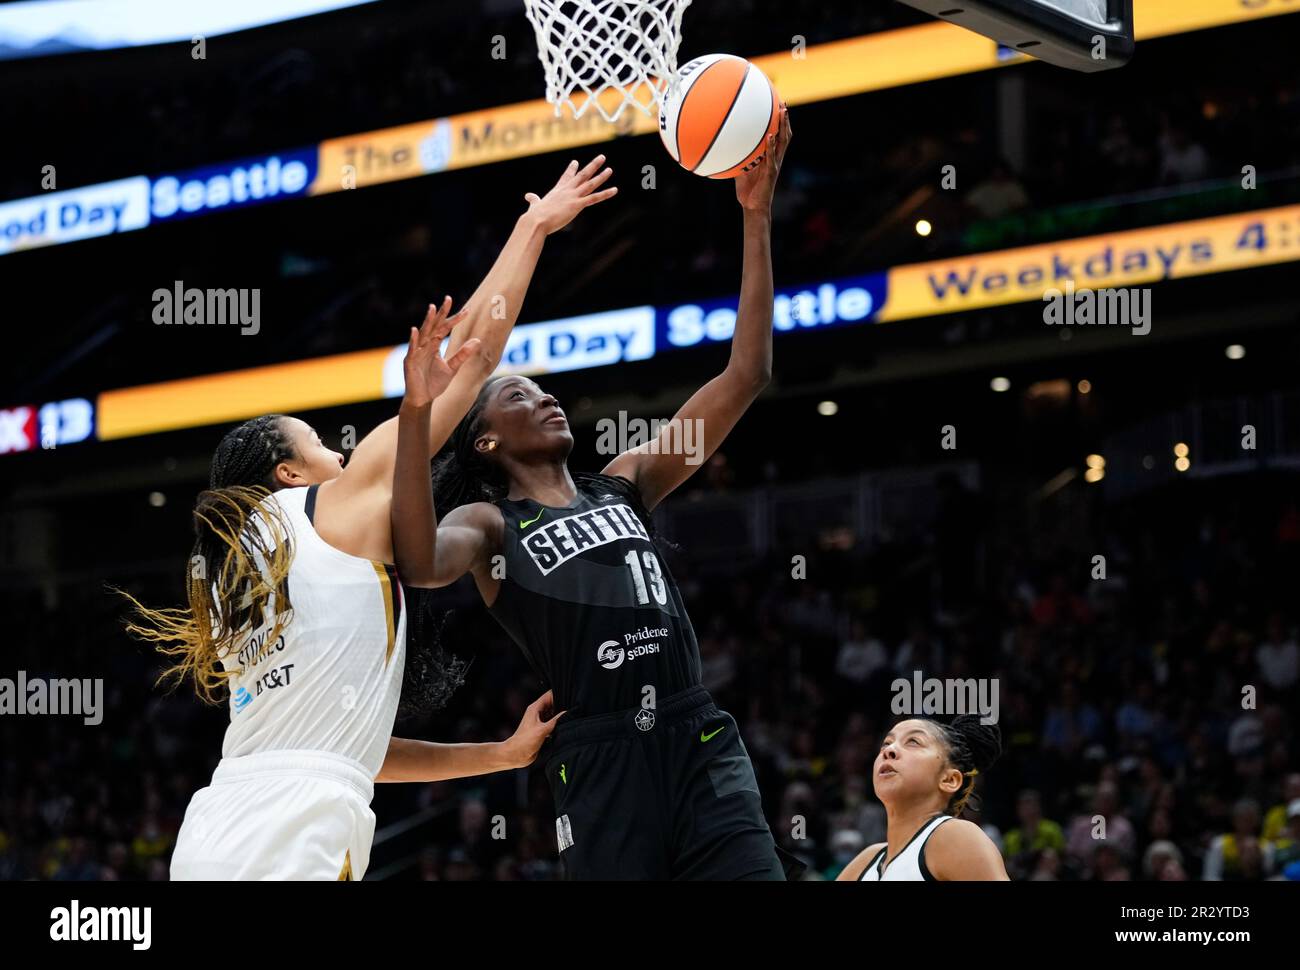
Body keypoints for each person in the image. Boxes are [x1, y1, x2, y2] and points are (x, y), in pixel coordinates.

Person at [120, 158, 617, 879]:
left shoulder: (249, 578)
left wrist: (499, 756)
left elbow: (350, 748)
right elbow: (470, 359)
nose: (342, 454)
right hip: (291, 833)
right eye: (320, 444)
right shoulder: (322, 509)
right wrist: (533, 226)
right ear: (289, 474)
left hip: (222, 825)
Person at [415, 107, 795, 880]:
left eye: (546, 392)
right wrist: (419, 413)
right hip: (600, 753)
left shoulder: (625, 482)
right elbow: (420, 565)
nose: (547, 401)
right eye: (519, 397)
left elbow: (745, 375)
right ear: (484, 440)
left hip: (696, 733)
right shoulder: (487, 523)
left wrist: (755, 219)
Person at [837, 716, 1008, 881]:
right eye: (886, 743)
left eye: (913, 742)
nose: (889, 750)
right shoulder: (866, 860)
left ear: (949, 780)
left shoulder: (953, 837)